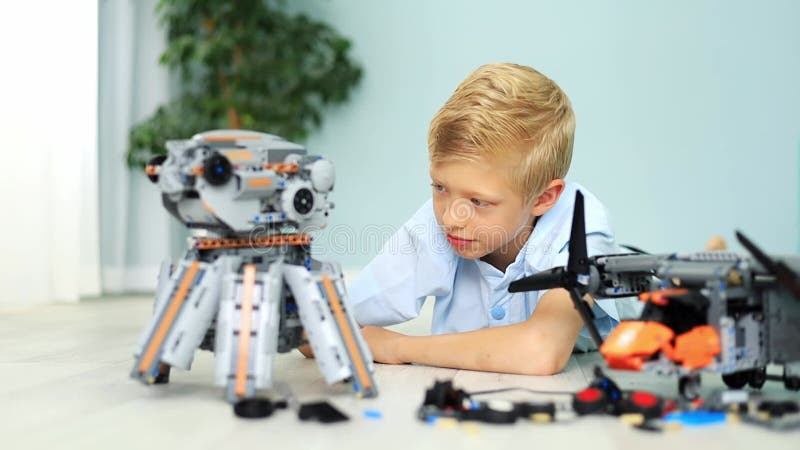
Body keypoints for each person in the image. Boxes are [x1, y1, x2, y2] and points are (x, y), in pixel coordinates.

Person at [343, 63, 626, 375]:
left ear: (543, 199)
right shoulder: (441, 223)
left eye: (479, 201)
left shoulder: (580, 225)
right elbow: (323, 323)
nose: (451, 218)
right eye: (439, 187)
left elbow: (541, 351)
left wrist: (396, 346)